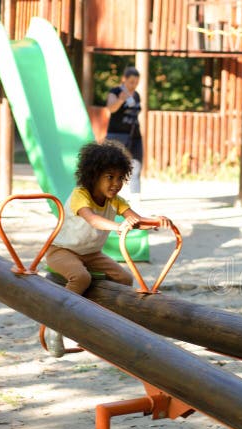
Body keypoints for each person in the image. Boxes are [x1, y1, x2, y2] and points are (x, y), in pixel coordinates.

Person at [44, 140, 172, 357]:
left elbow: (136, 220)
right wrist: (118, 227)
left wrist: (156, 221)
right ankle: (55, 324)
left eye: (121, 178)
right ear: (94, 175)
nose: (116, 183)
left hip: (91, 254)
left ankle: (106, 324)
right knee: (80, 277)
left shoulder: (116, 201)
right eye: (110, 177)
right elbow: (92, 219)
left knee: (124, 279)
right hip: (62, 251)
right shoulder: (81, 194)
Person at [105, 66, 143, 205]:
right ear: (124, 79)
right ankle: (105, 194)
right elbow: (111, 108)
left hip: (134, 135)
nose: (134, 85)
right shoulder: (115, 92)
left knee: (136, 165)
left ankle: (135, 199)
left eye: (136, 82)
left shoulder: (137, 95)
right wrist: (121, 100)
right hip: (116, 135)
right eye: (131, 82)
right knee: (110, 166)